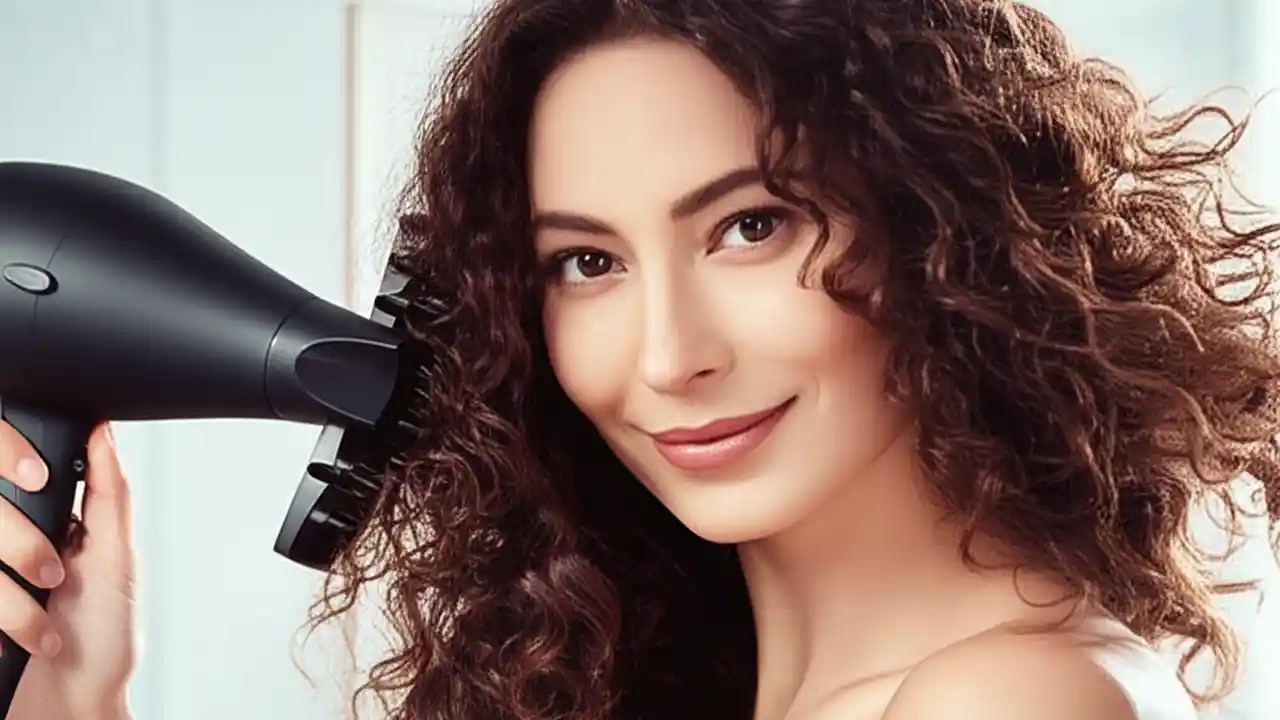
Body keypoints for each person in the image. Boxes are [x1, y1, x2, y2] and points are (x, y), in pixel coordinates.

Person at [4, 0, 1280, 718]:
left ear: (942, 231)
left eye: (749, 226)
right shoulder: (730, 693)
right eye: (587, 263)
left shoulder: (1010, 702)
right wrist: (79, 700)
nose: (666, 357)